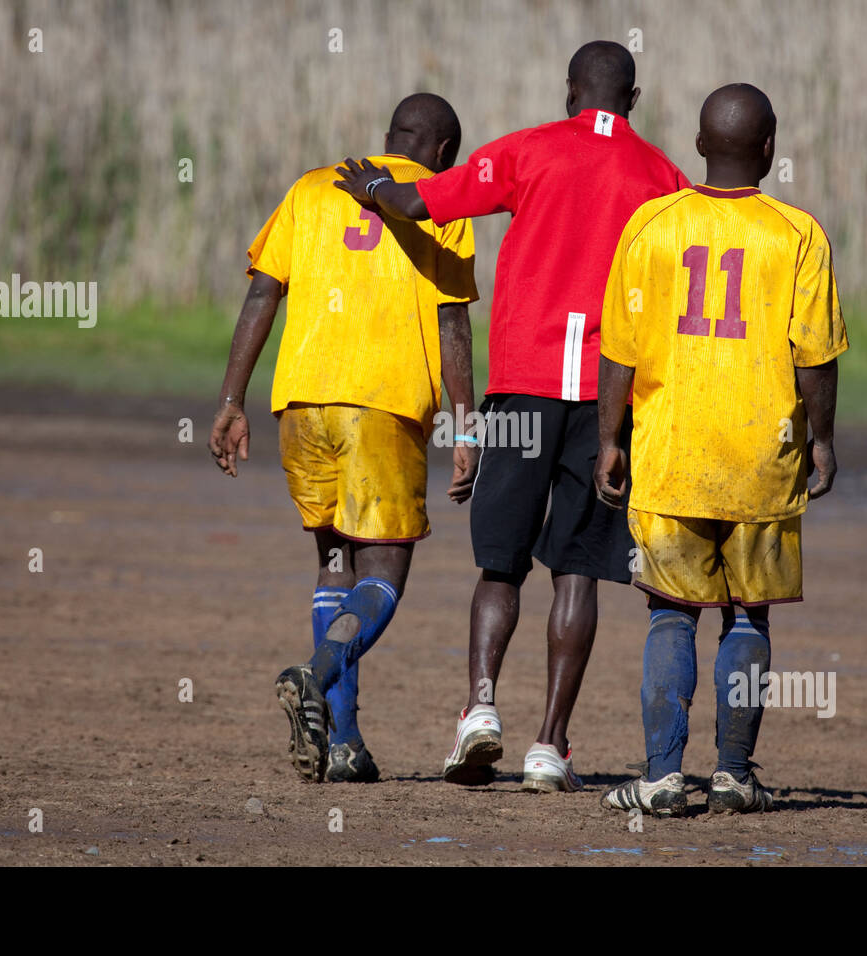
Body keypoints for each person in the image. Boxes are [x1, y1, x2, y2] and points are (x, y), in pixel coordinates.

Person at [335, 41, 691, 792]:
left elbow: (421, 201)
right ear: (632, 99)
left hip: (519, 395)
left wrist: (373, 188)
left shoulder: (526, 152)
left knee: (501, 564)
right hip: (608, 402)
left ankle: (478, 710)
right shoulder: (664, 179)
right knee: (578, 570)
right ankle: (548, 746)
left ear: (570, 92)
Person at [594, 83, 848, 816]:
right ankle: (735, 773)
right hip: (763, 461)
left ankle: (662, 778)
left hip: (672, 455)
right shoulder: (798, 234)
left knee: (671, 615)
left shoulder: (652, 223)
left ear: (699, 145)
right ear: (770, 148)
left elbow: (620, 350)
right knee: (749, 616)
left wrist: (610, 440)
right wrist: (821, 440)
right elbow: (816, 360)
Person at [209, 93, 479, 784]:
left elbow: (261, 296)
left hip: (301, 403)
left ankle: (343, 742)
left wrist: (232, 401)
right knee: (384, 572)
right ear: (443, 152)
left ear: (389, 134)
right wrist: (465, 420)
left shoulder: (309, 190)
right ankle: (313, 674)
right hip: (382, 407)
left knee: (335, 565)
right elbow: (452, 326)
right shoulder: (437, 202)